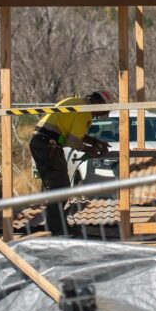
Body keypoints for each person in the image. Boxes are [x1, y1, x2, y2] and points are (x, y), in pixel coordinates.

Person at [29, 91, 111, 236]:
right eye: (101, 112)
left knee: (57, 187)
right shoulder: (84, 112)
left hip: (42, 142)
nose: (97, 116)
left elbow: (70, 133)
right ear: (99, 104)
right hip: (48, 145)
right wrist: (89, 149)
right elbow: (73, 142)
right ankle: (56, 228)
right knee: (60, 188)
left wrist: (94, 142)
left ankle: (56, 225)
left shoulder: (74, 102)